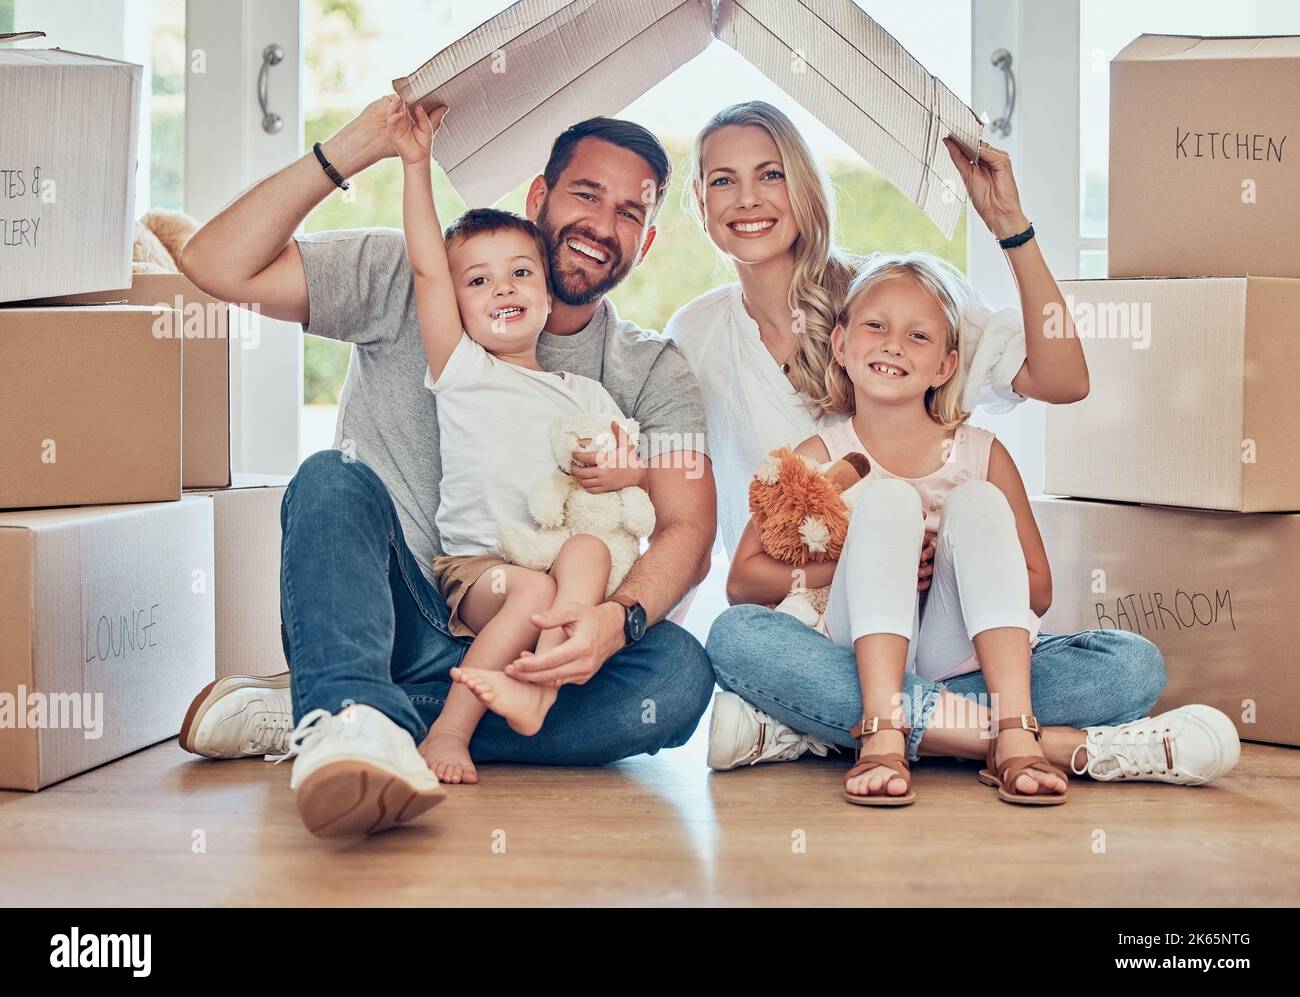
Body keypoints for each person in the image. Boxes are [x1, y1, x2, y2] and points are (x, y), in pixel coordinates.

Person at [176, 97, 717, 837]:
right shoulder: (421, 275)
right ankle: (352, 703)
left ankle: (339, 709)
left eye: (629, 212)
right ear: (538, 197)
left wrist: (612, 622)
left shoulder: (647, 368)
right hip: (403, 607)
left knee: (680, 676)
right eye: (586, 193)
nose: (602, 223)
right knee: (331, 477)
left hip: (545, 645)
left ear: (647, 242)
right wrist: (356, 148)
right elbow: (214, 263)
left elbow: (688, 527)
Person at [668, 101, 1239, 788]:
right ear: (699, 201)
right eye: (723, 181)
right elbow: (697, 521)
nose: (748, 199)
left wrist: (1011, 227)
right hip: (824, 634)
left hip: (959, 630)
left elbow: (1064, 379)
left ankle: (827, 729)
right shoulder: (696, 333)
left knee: (1130, 666)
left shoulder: (895, 298)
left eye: (770, 174)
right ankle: (1040, 743)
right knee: (734, 640)